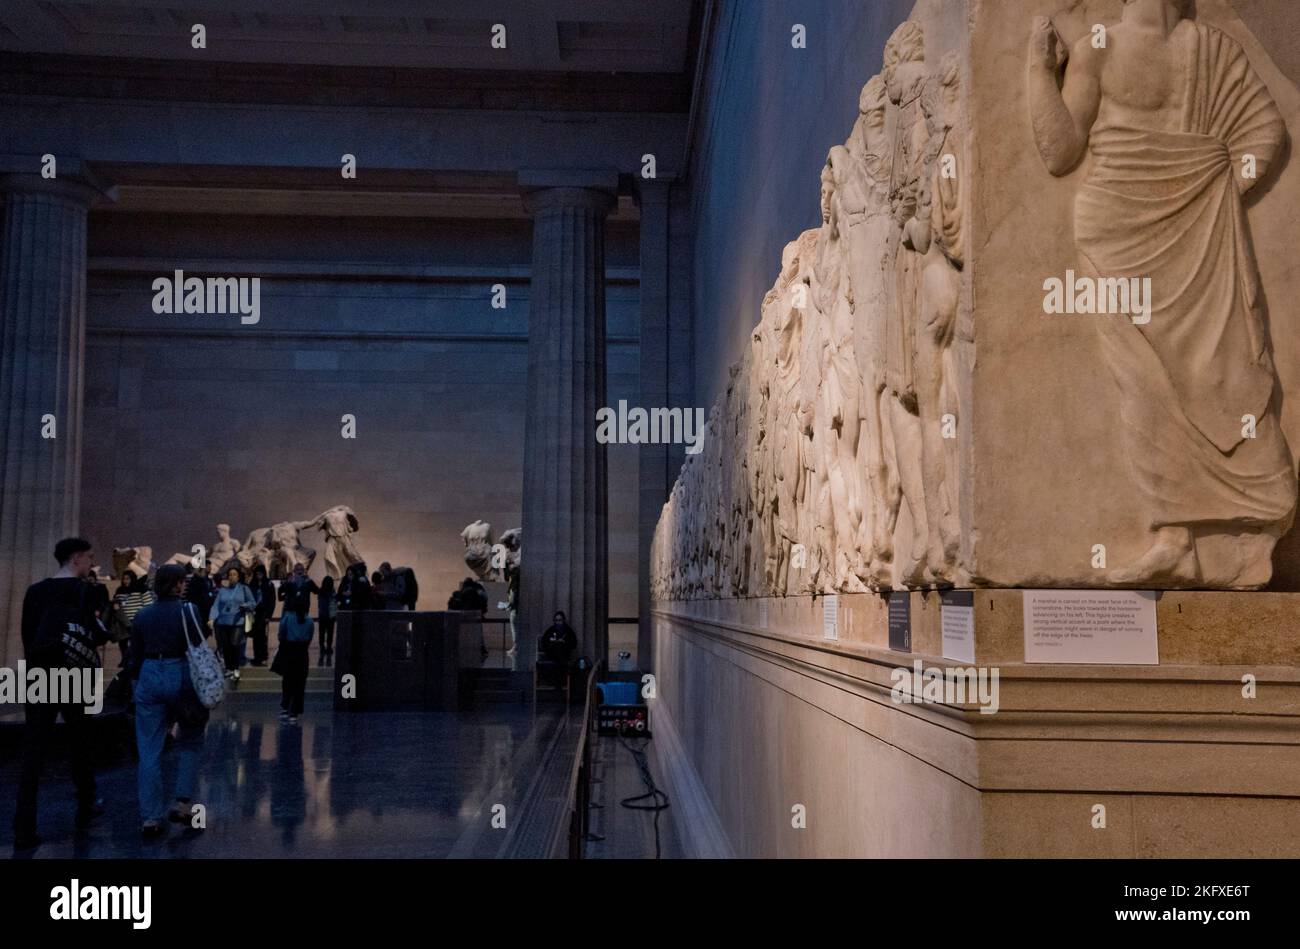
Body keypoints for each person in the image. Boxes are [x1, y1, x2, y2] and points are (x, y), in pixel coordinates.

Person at [12, 537, 108, 852]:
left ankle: (24, 825)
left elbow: (28, 636)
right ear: (76, 558)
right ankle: (85, 806)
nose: (92, 563)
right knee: (82, 743)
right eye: (89, 557)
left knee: (33, 754)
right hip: (75, 676)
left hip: (40, 675)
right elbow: (94, 636)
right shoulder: (86, 592)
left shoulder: (35, 592)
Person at [128, 565, 209, 838]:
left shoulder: (142, 614)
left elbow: (134, 656)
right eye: (182, 582)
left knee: (149, 750)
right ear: (176, 585)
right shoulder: (189, 611)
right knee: (191, 740)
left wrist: (136, 687)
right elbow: (198, 646)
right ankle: (183, 803)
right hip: (181, 674)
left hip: (150, 672)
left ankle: (150, 818)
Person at [209, 566, 255, 682]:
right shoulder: (222, 591)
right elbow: (216, 606)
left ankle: (235, 668)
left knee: (234, 644)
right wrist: (211, 618)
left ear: (238, 577)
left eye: (234, 574)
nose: (232, 577)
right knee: (226, 646)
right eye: (230, 575)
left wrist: (246, 606)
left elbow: (253, 603)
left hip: (237, 622)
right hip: (223, 622)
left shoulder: (244, 589)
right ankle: (229, 668)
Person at [275, 598, 314, 725]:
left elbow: (281, 634)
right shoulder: (309, 621)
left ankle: (285, 707)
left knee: (287, 681)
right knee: (300, 683)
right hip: (302, 652)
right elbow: (310, 637)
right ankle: (295, 711)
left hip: (289, 650)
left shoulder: (287, 618)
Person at [111, 570, 155, 668]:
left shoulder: (141, 589)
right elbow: (116, 602)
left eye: (128, 579)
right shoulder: (120, 590)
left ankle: (134, 659)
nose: (125, 581)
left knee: (135, 642)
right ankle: (124, 660)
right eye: (124, 579)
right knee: (122, 643)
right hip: (123, 621)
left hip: (137, 620)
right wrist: (115, 604)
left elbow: (148, 603)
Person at [247, 565, 275, 667]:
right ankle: (256, 657)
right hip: (254, 613)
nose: (259, 576)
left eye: (260, 574)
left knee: (263, 636)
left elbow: (272, 601)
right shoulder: (252, 584)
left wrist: (269, 615)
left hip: (264, 613)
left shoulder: (268, 584)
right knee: (255, 636)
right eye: (257, 574)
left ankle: (263, 656)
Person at [317, 575, 337, 665]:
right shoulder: (332, 592)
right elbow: (333, 603)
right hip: (329, 615)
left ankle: (322, 647)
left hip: (323, 615)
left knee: (322, 632)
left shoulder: (321, 591)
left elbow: (321, 605)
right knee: (330, 632)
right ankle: (328, 646)